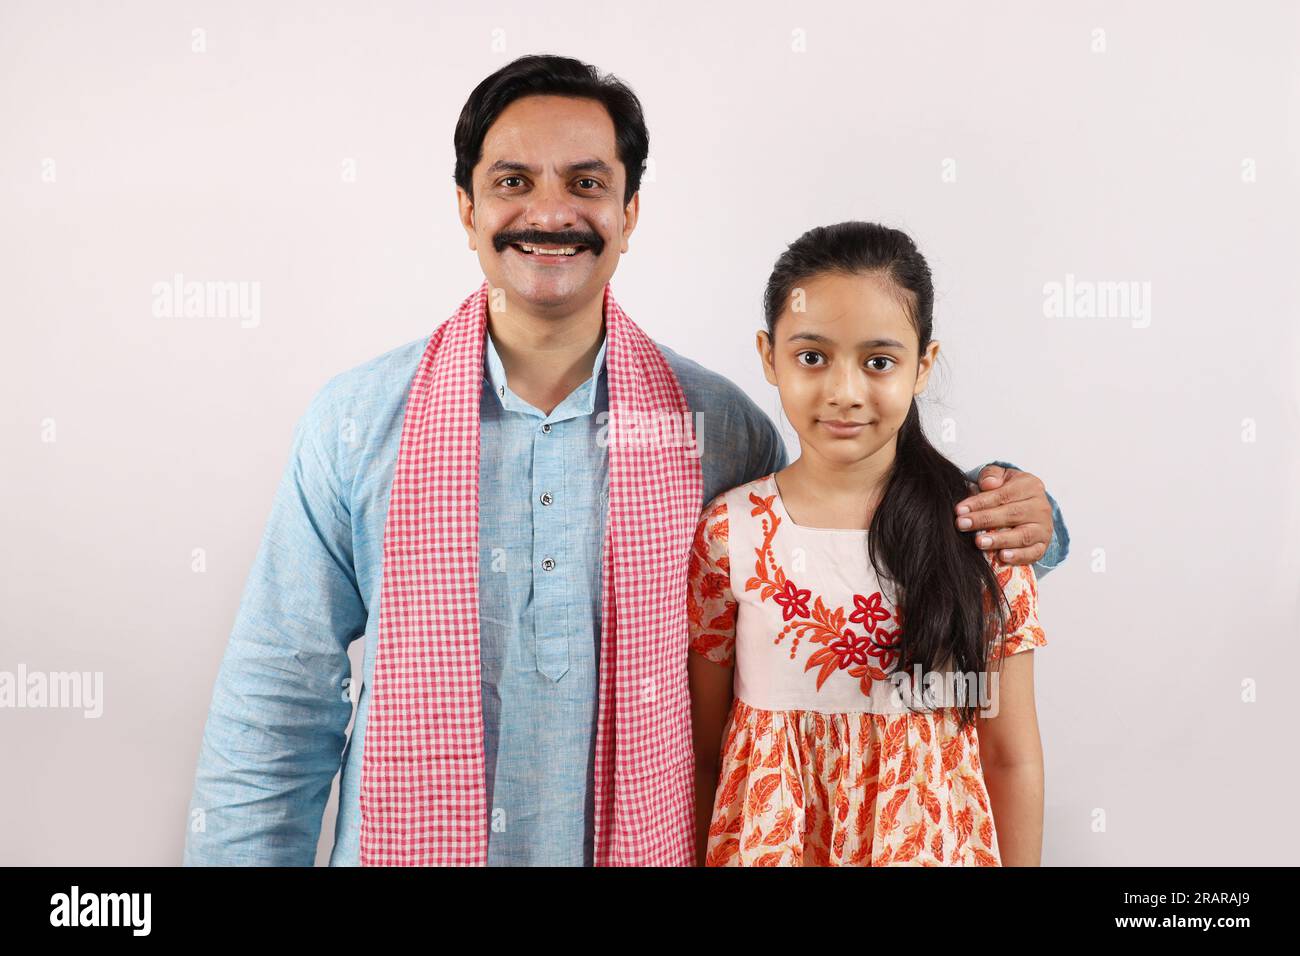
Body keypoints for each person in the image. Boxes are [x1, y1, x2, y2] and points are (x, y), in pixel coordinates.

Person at [184, 55, 1069, 867]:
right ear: (467, 209)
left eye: (587, 183)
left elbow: (851, 519)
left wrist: (1031, 521)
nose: (550, 212)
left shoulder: (714, 426)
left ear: (628, 213)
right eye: (512, 182)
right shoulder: (358, 422)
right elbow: (280, 704)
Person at [689, 221, 1050, 866]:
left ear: (923, 367)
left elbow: (1010, 755)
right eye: (812, 356)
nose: (844, 392)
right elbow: (706, 754)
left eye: (878, 361)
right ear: (769, 357)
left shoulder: (982, 534)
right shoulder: (729, 532)